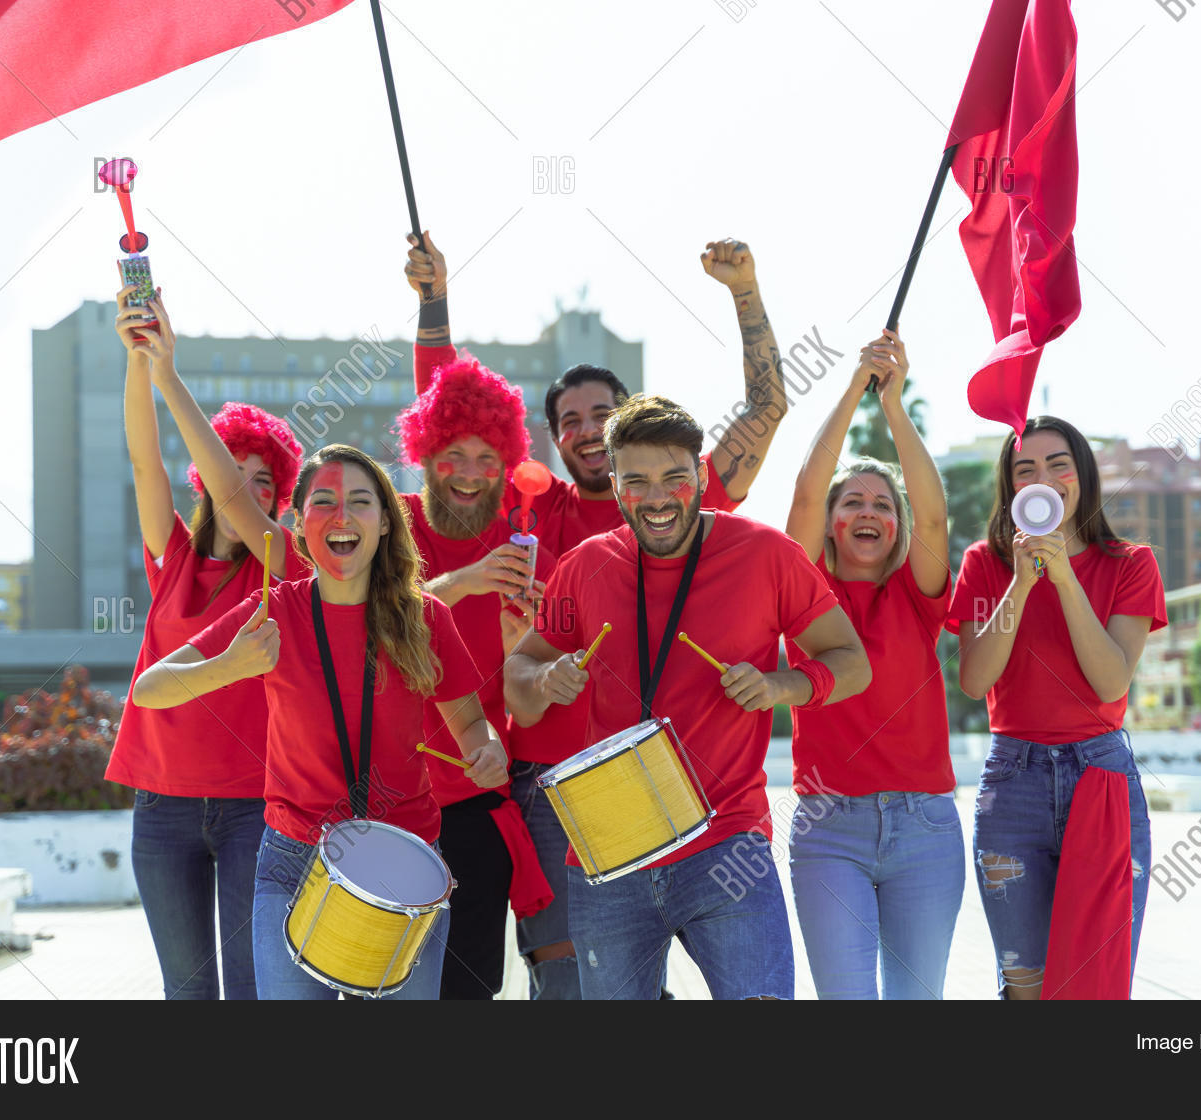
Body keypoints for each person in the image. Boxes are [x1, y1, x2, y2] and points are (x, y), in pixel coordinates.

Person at [405, 231, 791, 999]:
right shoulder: (529, 507)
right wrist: (433, 301)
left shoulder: (671, 498)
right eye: (569, 419)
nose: (585, 428)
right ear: (552, 438)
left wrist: (745, 292)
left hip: (673, 775)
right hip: (549, 783)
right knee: (568, 984)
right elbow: (446, 411)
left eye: (601, 414)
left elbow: (766, 408)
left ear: (626, 424)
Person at [504, 394, 871, 1000]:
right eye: (636, 482)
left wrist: (779, 685)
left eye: (674, 478)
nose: (656, 498)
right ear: (615, 485)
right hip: (609, 852)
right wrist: (544, 681)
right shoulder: (583, 566)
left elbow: (851, 662)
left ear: (701, 475)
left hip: (727, 844)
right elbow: (519, 681)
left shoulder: (767, 554)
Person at [131, 444, 508, 1000]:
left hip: (403, 856)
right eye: (324, 501)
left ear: (385, 522)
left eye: (361, 501)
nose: (342, 515)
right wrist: (229, 666)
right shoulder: (271, 610)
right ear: (299, 524)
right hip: (293, 861)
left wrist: (488, 749)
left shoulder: (427, 616)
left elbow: (472, 725)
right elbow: (148, 689)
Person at [106, 285, 307, 999]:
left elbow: (233, 500)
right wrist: (141, 357)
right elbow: (144, 462)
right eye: (231, 473)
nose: (242, 491)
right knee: (187, 995)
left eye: (261, 483)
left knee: (253, 991)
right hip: (162, 809)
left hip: (255, 807)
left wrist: (171, 375)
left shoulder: (283, 564)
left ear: (276, 500)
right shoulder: (172, 559)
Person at [946, 416, 1167, 999]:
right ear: (1011, 487)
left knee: (1096, 979)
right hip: (1012, 779)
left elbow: (1110, 682)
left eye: (1058, 464)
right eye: (1026, 469)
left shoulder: (1131, 563)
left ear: (1082, 476)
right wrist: (1021, 583)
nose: (1042, 479)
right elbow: (975, 679)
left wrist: (1065, 578)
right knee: (1025, 981)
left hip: (1101, 775)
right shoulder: (982, 562)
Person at [782, 332, 963, 1000]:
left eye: (883, 504)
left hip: (925, 828)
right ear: (831, 523)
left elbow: (935, 519)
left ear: (896, 526)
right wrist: (854, 388)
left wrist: (893, 404)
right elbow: (805, 495)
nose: (868, 512)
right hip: (830, 828)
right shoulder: (804, 593)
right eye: (852, 502)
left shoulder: (917, 595)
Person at [392, 323, 557, 1000]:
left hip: (474, 803)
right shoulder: (388, 526)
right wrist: (459, 584)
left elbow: (528, 701)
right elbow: (369, 631)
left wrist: (526, 648)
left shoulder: (526, 556)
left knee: (466, 993)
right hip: (384, 804)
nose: (468, 472)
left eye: (488, 458)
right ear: (426, 452)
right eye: (453, 454)